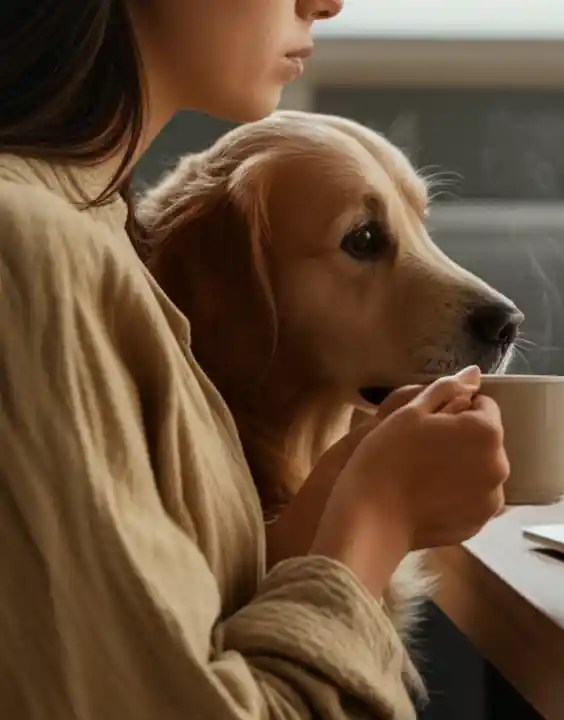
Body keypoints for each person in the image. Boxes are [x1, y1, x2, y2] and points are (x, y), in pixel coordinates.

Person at [0, 2, 509, 718]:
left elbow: (199, 610)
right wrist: (376, 515)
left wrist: (335, 496)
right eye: (364, 241)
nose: (327, 3)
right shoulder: (27, 253)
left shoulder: (95, 226)